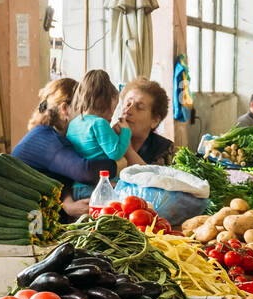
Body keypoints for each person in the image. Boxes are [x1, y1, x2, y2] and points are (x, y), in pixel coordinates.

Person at [11, 78, 105, 218]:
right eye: (81, 110)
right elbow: (85, 172)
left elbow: (60, 178)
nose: (85, 118)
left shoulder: (49, 134)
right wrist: (118, 162)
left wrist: (67, 204)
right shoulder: (49, 140)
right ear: (65, 109)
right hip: (26, 222)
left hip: (36, 214)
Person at [64, 69, 142, 200]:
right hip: (98, 186)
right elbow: (116, 152)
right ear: (105, 103)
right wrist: (125, 132)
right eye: (113, 109)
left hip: (77, 187)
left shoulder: (74, 123)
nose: (112, 116)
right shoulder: (99, 123)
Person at [115, 77, 176, 166]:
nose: (128, 111)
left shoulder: (166, 151)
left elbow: (153, 178)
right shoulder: (107, 139)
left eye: (139, 107)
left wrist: (128, 150)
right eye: (127, 104)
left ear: (155, 121)